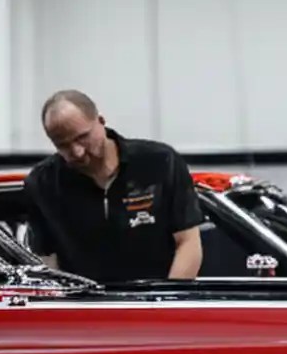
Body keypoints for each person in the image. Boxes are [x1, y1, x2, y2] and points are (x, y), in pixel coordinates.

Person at [24, 89, 204, 284]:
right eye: (62, 145)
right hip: (84, 307)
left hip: (155, 303)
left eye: (82, 137)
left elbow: (188, 243)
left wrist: (167, 304)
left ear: (100, 121)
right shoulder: (43, 183)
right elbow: (47, 260)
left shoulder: (160, 163)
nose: (76, 152)